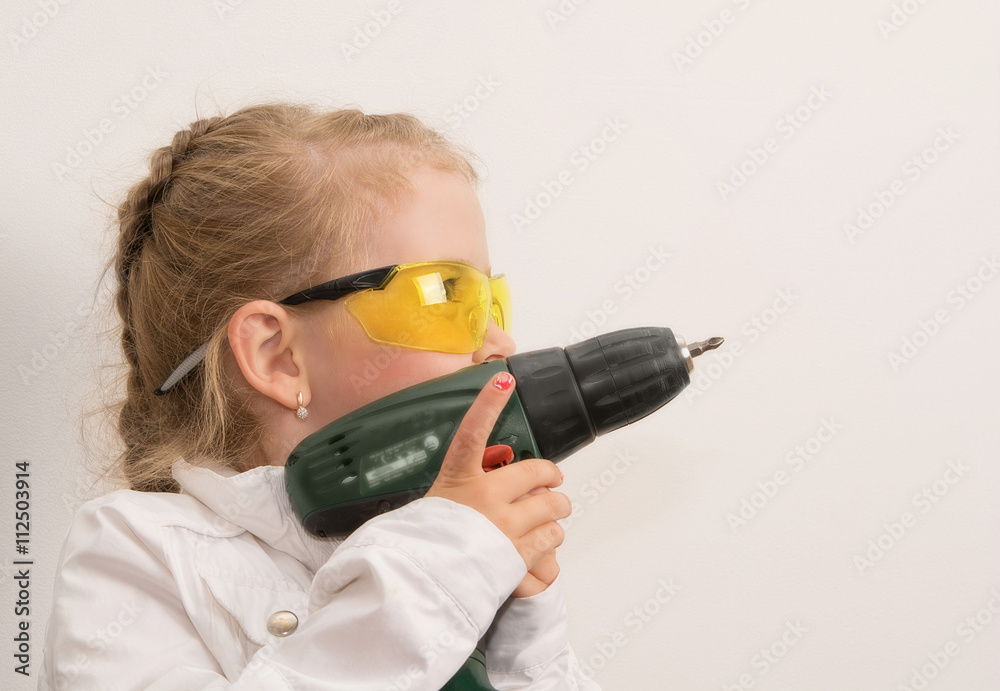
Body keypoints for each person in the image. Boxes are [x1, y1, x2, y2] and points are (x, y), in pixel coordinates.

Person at [39, 103, 601, 690]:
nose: (500, 343)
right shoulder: (131, 552)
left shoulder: (464, 549)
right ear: (278, 357)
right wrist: (435, 574)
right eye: (444, 297)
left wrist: (526, 647)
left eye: (493, 302)